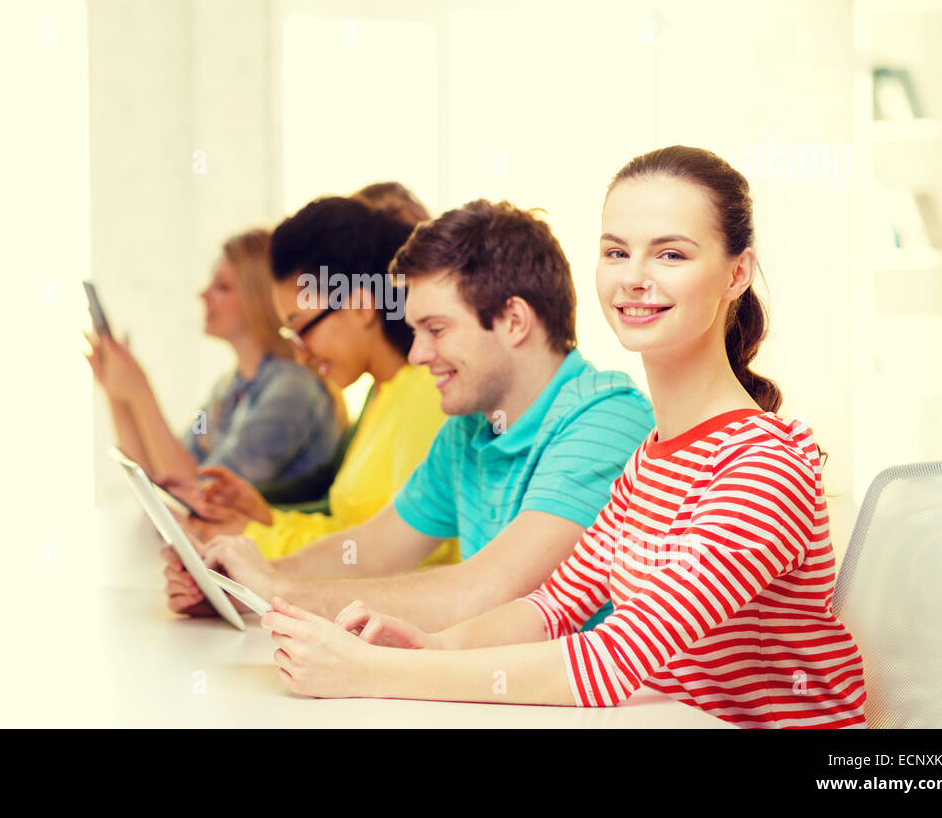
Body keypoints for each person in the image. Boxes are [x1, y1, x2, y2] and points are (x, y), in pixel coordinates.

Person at [259, 146, 868, 729]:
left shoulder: (763, 465)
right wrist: (429, 646)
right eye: (615, 252)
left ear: (737, 273)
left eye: (671, 255)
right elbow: (552, 610)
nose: (634, 278)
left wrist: (380, 671)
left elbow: (609, 663)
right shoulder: (652, 460)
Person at [167, 200, 655, 632]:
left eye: (436, 329)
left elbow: (486, 592)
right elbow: (373, 550)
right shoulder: (467, 431)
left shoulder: (607, 421)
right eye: (415, 330)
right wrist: (241, 586)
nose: (418, 354)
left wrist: (277, 593)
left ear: (513, 320)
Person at [180, 197, 457, 570]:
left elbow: (402, 555)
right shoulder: (383, 396)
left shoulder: (429, 393)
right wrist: (264, 520)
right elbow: (348, 531)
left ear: (360, 306)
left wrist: (253, 538)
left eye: (301, 329)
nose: (301, 355)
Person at [86, 228, 343, 498]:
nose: (203, 295)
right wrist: (118, 394)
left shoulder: (293, 391)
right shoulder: (227, 388)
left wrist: (140, 393)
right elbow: (161, 479)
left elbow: (201, 498)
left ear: (259, 300)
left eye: (222, 287)